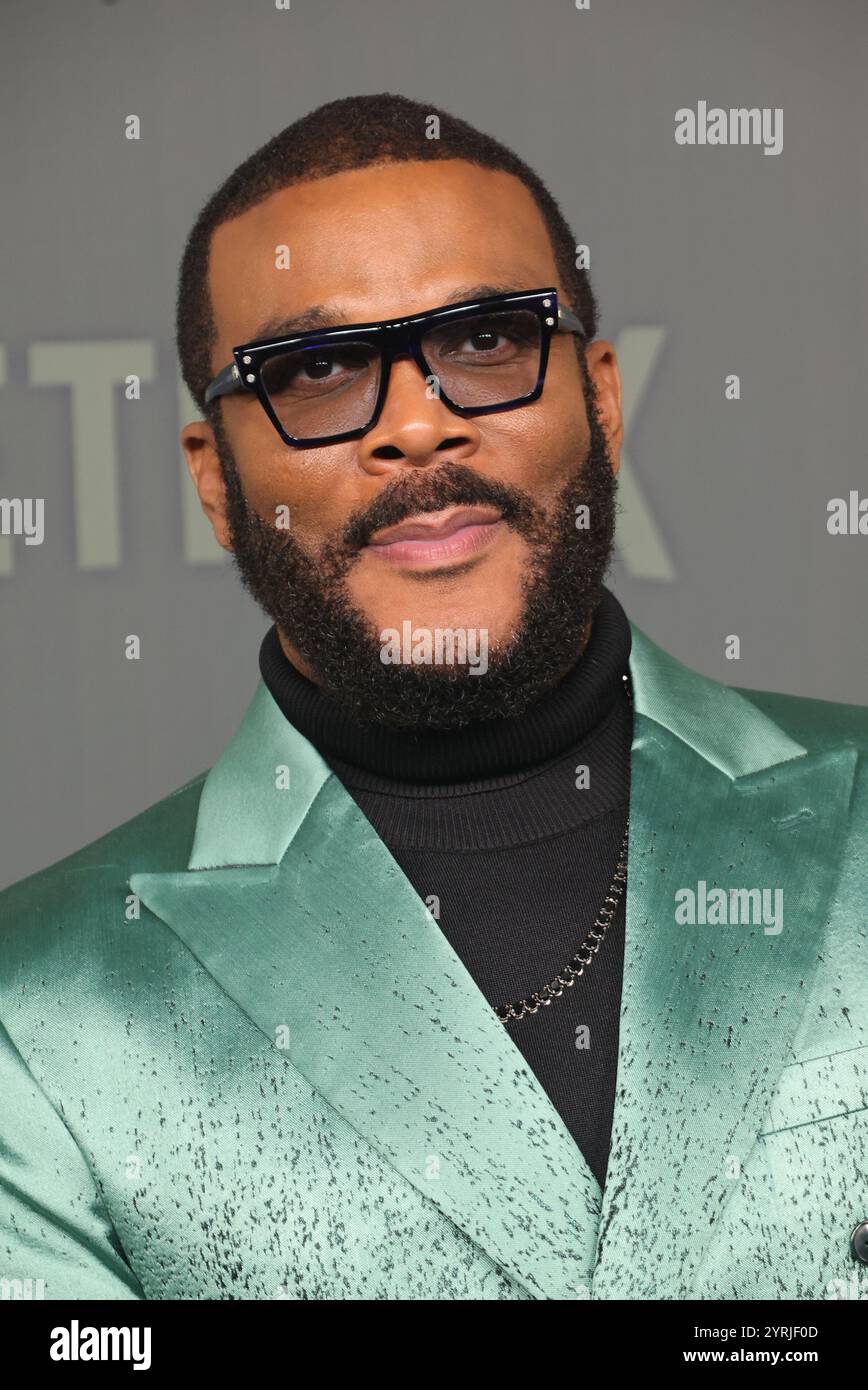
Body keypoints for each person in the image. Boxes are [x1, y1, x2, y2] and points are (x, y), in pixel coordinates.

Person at [1, 93, 866, 1302]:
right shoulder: (29, 1011)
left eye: (483, 342)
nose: (418, 424)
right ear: (216, 481)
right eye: (312, 368)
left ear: (600, 402)